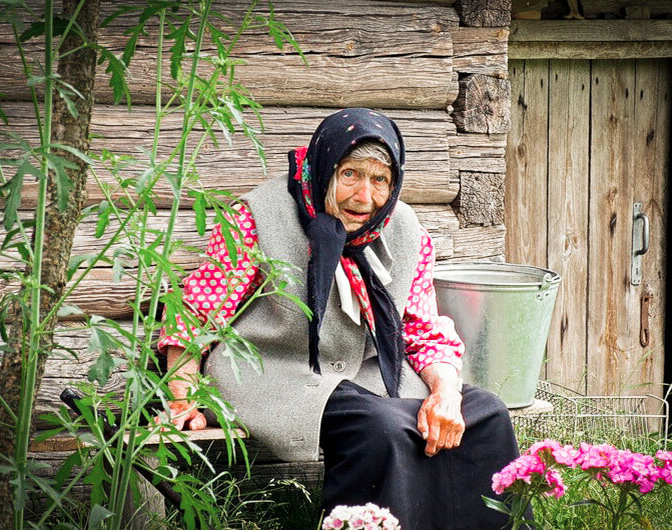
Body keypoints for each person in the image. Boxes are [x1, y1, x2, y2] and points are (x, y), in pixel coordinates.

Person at [157, 108, 530, 529]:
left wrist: (445, 392)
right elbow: (198, 311)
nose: (364, 197)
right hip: (278, 373)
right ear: (324, 164)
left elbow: (423, 329)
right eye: (350, 174)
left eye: (379, 180)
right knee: (383, 427)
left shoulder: (405, 228)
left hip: (372, 377)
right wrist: (181, 398)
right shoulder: (260, 217)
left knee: (486, 413)